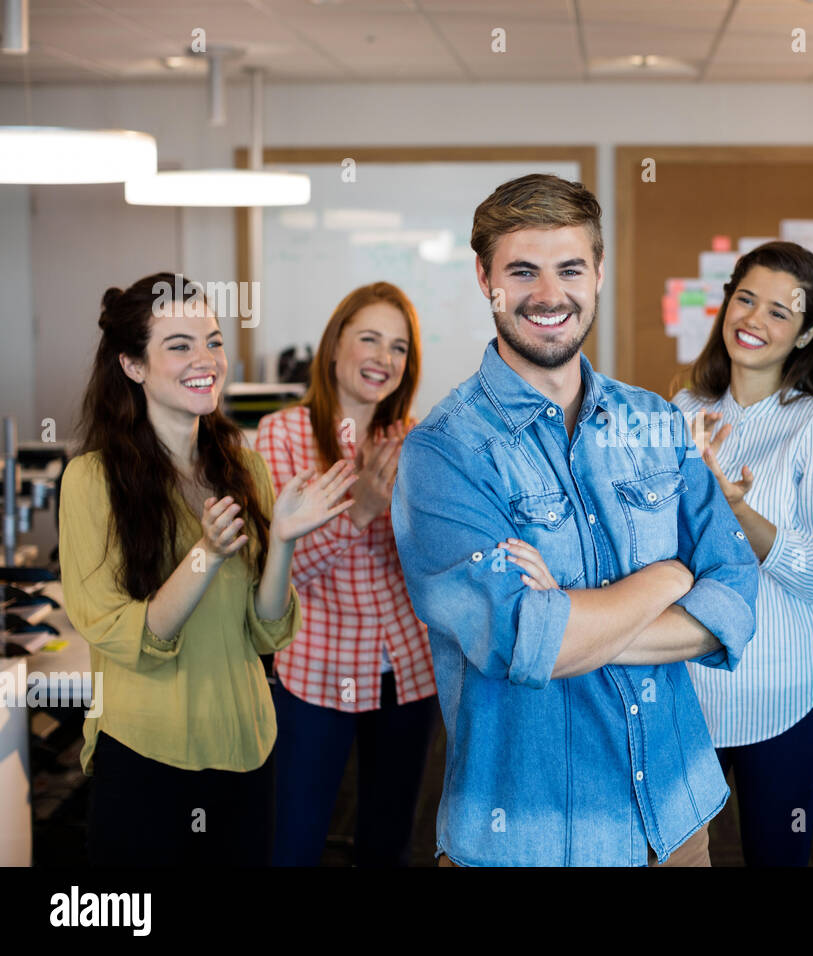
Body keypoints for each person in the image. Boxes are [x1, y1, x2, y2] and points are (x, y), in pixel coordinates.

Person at [390, 173, 758, 867]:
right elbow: (529, 644)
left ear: (596, 274)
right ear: (484, 279)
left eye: (569, 268)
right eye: (522, 270)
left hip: (676, 819)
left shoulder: (653, 421)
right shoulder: (443, 454)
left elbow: (736, 594)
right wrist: (671, 576)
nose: (549, 295)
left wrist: (570, 620)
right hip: (528, 838)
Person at [61, 273, 356, 865]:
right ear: (133, 365)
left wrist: (287, 543)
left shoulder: (244, 467)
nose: (206, 360)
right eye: (180, 345)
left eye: (214, 341)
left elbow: (264, 630)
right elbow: (135, 636)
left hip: (246, 748)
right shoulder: (91, 481)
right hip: (147, 755)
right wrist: (207, 554)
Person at [670, 241, 813, 866]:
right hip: (686, 686)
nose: (754, 319)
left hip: (785, 690)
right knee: (669, 857)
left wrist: (740, 513)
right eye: (745, 299)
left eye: (781, 311)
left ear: (807, 334)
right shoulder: (681, 412)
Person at [255, 282, 439, 867]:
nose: (384, 359)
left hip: (406, 671)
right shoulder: (281, 435)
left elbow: (435, 566)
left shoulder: (416, 439)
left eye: (399, 347)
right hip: (315, 672)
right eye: (369, 339)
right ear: (334, 348)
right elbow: (282, 579)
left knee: (388, 843)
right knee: (295, 841)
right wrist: (359, 511)